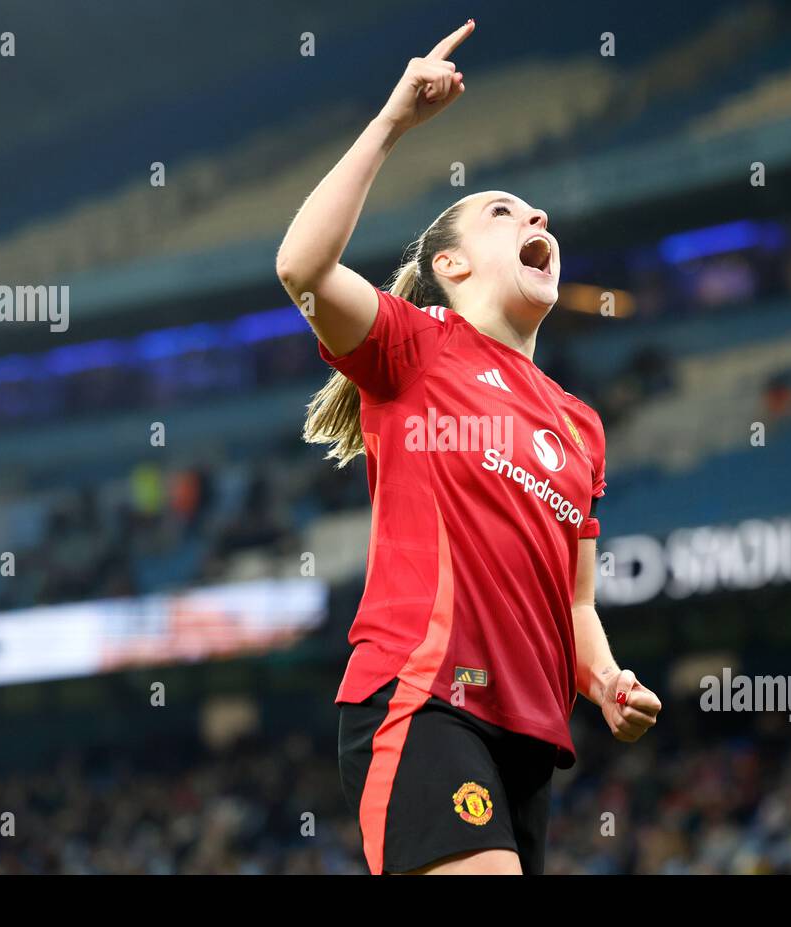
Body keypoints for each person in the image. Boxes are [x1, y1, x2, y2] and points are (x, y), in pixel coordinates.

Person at [276, 20, 661, 875]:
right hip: (422, 697)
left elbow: (577, 603)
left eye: (533, 210)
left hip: (531, 736)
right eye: (502, 211)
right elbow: (302, 267)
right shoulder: (415, 346)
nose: (535, 215)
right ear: (451, 267)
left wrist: (604, 680)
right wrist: (390, 125)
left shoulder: (580, 424)